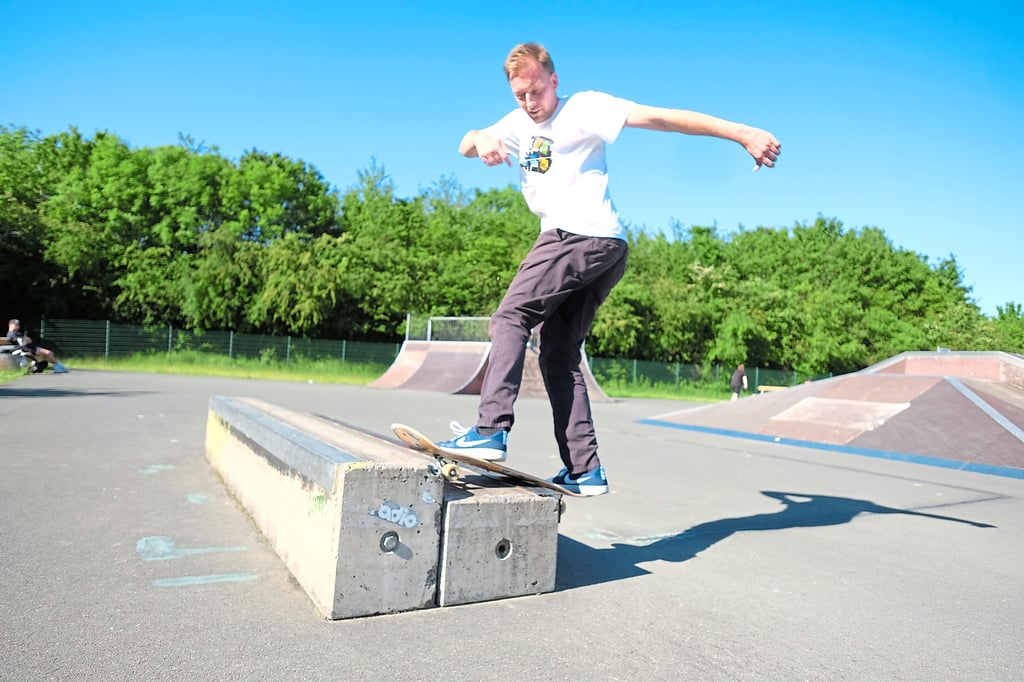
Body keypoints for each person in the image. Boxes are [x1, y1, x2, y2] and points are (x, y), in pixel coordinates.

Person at [437, 42, 780, 496]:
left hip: (575, 236)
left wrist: (741, 133)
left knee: (510, 318)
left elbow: (661, 118)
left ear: (554, 80)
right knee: (558, 352)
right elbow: (466, 143)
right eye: (521, 95)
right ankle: (584, 469)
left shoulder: (583, 108)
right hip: (605, 249)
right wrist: (480, 137)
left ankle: (489, 429)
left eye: (537, 91)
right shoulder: (516, 123)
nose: (531, 103)